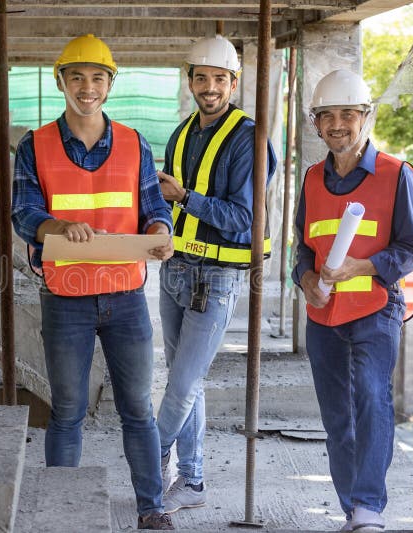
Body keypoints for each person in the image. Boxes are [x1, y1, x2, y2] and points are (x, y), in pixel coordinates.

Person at [10, 34, 175, 530]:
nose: (87, 87)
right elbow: (23, 212)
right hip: (65, 298)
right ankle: (62, 512)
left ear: (110, 84)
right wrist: (57, 226)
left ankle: (152, 509)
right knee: (66, 410)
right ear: (61, 80)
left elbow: (153, 207)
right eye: (77, 77)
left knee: (138, 410)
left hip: (125, 296)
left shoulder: (133, 143)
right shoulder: (33, 144)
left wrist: (161, 230)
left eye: (98, 78)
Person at [292, 69, 413, 532]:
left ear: (365, 117)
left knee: (371, 398)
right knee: (336, 414)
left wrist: (360, 269)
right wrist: (305, 277)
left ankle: (369, 509)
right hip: (323, 311)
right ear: (315, 124)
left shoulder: (396, 174)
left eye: (349, 113)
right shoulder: (310, 179)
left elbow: (412, 248)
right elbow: (302, 246)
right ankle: (353, 508)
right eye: (327, 115)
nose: (338, 124)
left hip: (375, 307)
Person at [155, 35, 276, 514]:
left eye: (219, 79)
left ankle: (148, 458)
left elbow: (244, 218)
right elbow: (162, 201)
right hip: (176, 269)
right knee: (189, 385)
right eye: (201, 78)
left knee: (182, 386)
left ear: (233, 83)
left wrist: (185, 198)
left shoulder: (249, 138)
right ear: (190, 82)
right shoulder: (182, 133)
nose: (210, 87)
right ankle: (193, 482)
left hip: (217, 276)